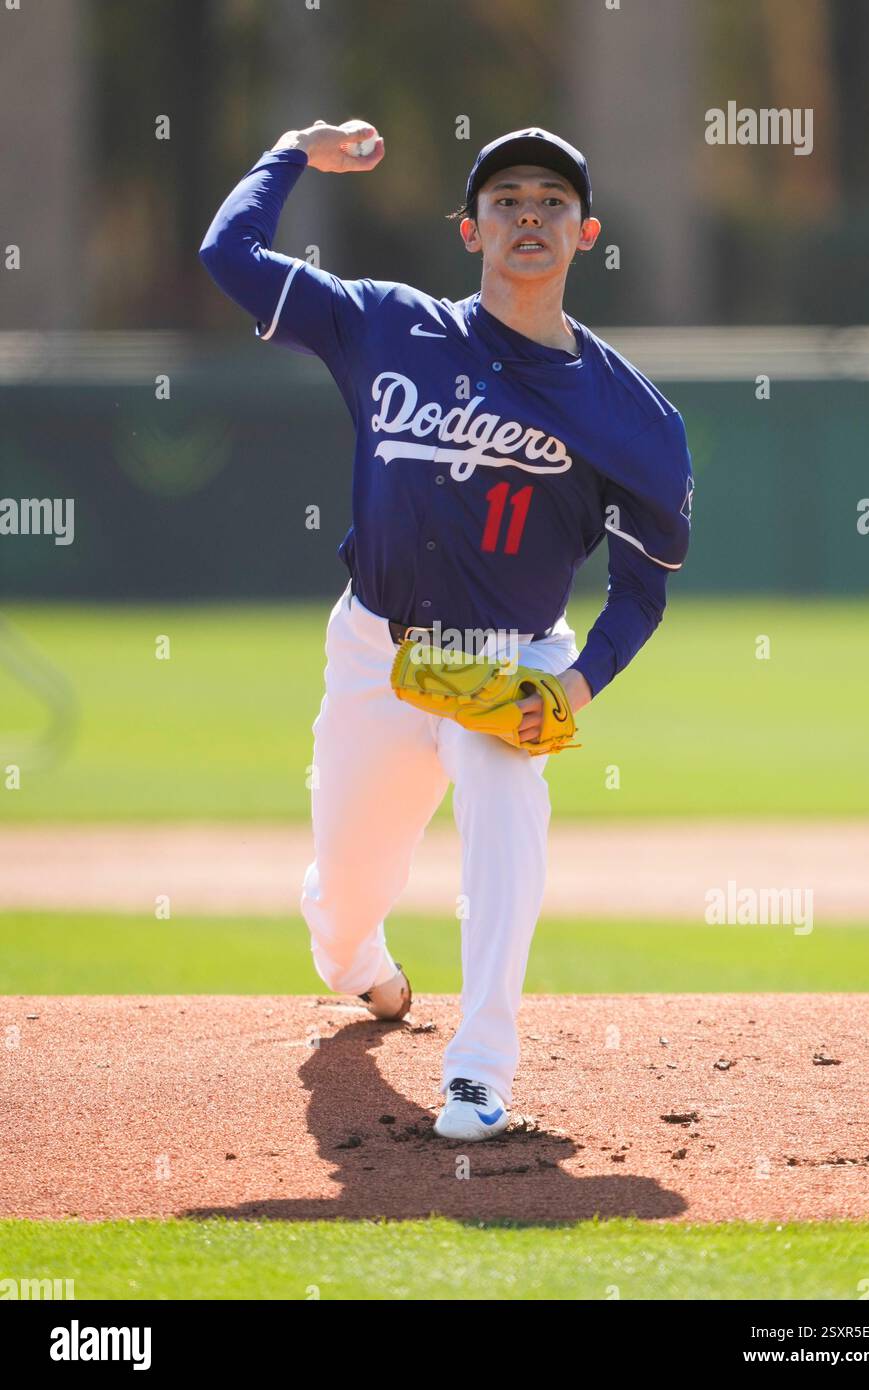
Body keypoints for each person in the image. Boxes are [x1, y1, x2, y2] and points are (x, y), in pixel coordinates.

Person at [199, 121, 693, 1142]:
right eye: (505, 198)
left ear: (584, 232)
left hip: (507, 655)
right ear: (469, 228)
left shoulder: (634, 417)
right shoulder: (384, 325)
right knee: (340, 916)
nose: (528, 214)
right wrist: (292, 149)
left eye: (551, 201)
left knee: (506, 793)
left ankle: (480, 1067)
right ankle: (362, 962)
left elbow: (641, 592)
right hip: (374, 654)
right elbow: (227, 257)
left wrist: (577, 687)